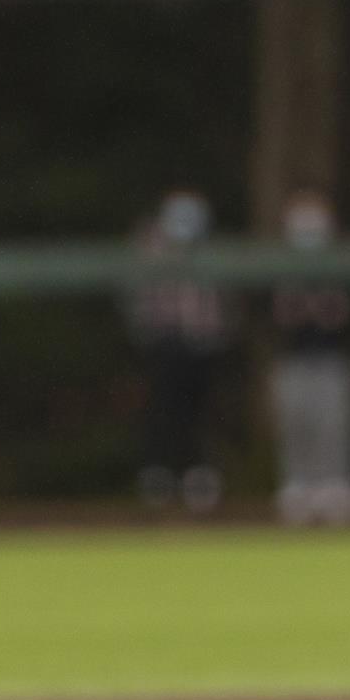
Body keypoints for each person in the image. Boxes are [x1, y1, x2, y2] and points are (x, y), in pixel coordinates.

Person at [125, 189, 230, 514]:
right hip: (164, 345)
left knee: (199, 414)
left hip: (202, 347)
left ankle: (200, 479)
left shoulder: (212, 252)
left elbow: (224, 307)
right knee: (162, 412)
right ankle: (157, 478)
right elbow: (137, 300)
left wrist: (215, 335)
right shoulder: (150, 248)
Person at [267, 190, 350, 526]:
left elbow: (344, 316)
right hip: (292, 359)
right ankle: (297, 489)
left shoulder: (341, 264)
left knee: (333, 424)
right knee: (295, 423)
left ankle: (334, 490)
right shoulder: (279, 266)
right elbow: (277, 317)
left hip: (333, 359)